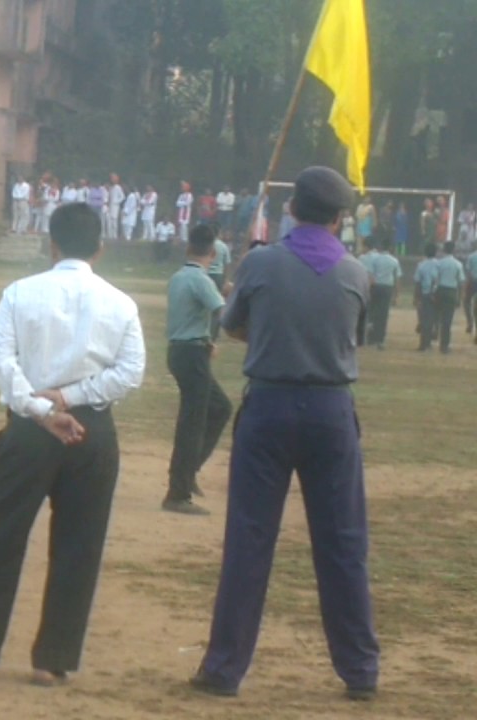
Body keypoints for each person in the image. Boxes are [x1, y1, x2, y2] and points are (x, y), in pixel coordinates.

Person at [0, 202, 145, 687]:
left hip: (29, 428)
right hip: (92, 431)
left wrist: (45, 408)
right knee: (79, 546)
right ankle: (53, 660)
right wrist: (73, 398)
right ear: (100, 248)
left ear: (52, 244)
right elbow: (130, 373)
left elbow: (3, 365)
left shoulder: (20, 293)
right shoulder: (121, 303)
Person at [191, 166, 377, 701]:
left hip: (270, 405)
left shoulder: (261, 261)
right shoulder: (356, 273)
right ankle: (361, 671)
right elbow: (349, 338)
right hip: (331, 410)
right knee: (342, 542)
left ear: (291, 210)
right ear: (340, 219)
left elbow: (234, 324)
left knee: (249, 540)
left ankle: (224, 669)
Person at [163, 225, 231, 516]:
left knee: (219, 408)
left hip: (182, 351)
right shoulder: (201, 281)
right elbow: (223, 314)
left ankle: (188, 473)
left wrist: (206, 339)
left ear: (188, 248)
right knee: (193, 421)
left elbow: (195, 313)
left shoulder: (179, 277)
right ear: (213, 254)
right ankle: (178, 491)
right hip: (191, 355)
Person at [433, 241, 464, 354]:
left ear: (444, 250)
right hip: (451, 291)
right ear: (454, 250)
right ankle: (444, 345)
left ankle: (434, 333)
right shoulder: (457, 264)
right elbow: (460, 282)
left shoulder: (439, 263)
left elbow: (435, 279)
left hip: (440, 290)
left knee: (436, 315)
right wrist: (459, 297)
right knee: (447, 320)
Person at [207, 230, 231, 341]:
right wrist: (225, 279)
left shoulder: (208, 244)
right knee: (218, 305)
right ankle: (214, 333)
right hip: (218, 276)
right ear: (219, 233)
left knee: (206, 304)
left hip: (207, 275)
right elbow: (227, 264)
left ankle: (205, 330)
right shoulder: (224, 246)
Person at [415, 243, 439, 352]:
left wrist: (416, 297)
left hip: (425, 294)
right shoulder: (439, 265)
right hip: (436, 294)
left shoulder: (421, 265)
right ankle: (430, 340)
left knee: (424, 319)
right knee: (434, 319)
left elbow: (418, 283)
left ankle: (423, 343)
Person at [106, 174, 124, 240]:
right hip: (110, 206)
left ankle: (115, 235)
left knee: (114, 221)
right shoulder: (111, 188)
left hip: (115, 206)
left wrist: (116, 202)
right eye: (111, 178)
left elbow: (122, 197)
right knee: (109, 221)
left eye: (113, 178)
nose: (112, 179)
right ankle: (110, 235)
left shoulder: (118, 187)